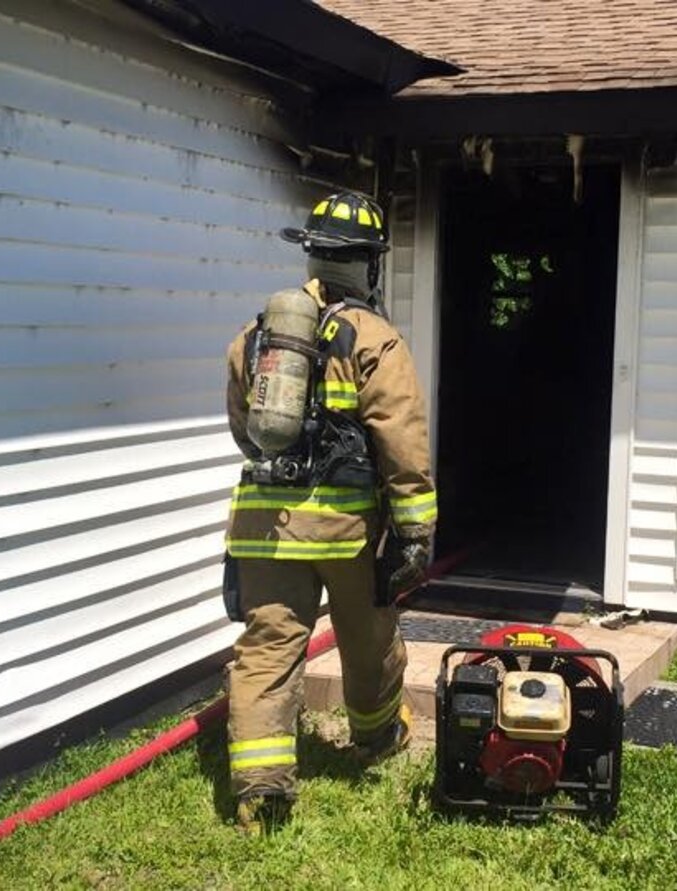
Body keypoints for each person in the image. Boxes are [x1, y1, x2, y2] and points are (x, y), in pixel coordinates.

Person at [222, 192, 437, 832]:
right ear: (369, 264)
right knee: (367, 639)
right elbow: (403, 441)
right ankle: (375, 737)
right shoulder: (375, 339)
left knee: (267, 648)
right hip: (345, 532)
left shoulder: (259, 334)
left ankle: (260, 791)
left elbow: (244, 426)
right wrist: (416, 530)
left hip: (265, 526)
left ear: (312, 254)